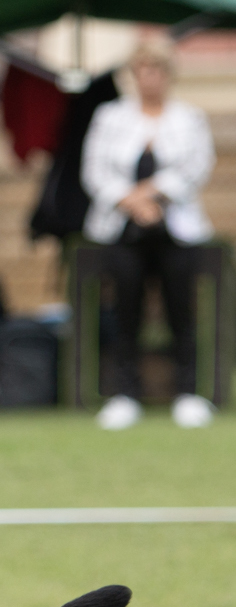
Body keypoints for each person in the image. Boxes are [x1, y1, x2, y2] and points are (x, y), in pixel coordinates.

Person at [82, 39, 216, 430]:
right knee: (126, 311)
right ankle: (124, 395)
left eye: (156, 70)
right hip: (122, 229)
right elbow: (94, 171)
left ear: (168, 75)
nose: (149, 79)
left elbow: (196, 165)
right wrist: (131, 200)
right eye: (142, 71)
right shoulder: (110, 117)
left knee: (181, 311)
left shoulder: (189, 118)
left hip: (175, 229)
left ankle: (189, 394)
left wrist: (155, 194)